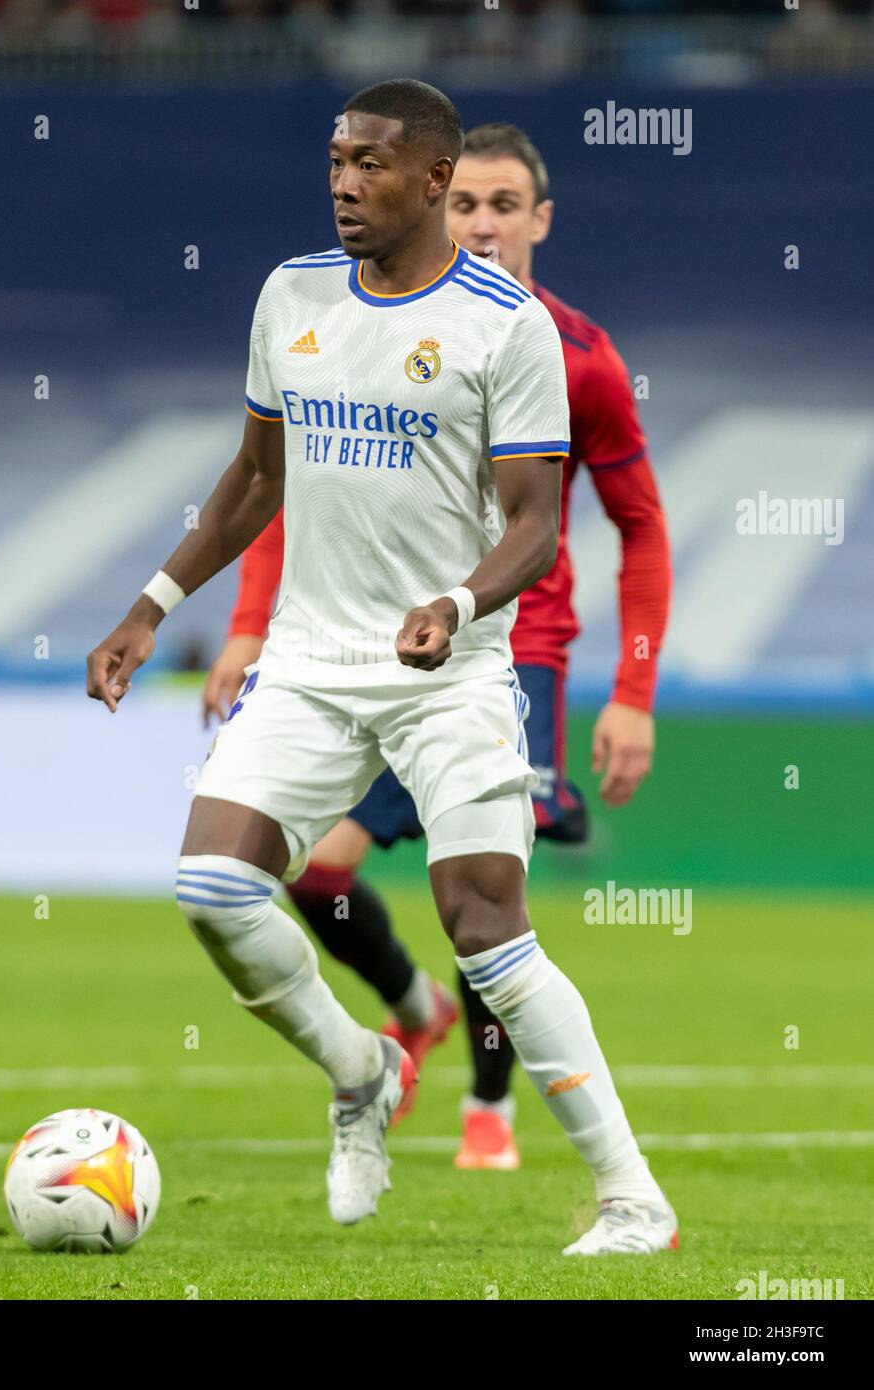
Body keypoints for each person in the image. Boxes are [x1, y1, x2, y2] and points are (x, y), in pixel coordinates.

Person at [89, 79, 676, 1254]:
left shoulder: (508, 330)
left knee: (487, 929)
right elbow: (256, 479)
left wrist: (457, 604)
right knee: (211, 888)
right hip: (311, 659)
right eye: (336, 161)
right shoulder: (289, 295)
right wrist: (153, 605)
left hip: (453, 670)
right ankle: (362, 1072)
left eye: (372, 164)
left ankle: (632, 1199)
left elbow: (532, 524)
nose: (346, 183)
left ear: (436, 184)